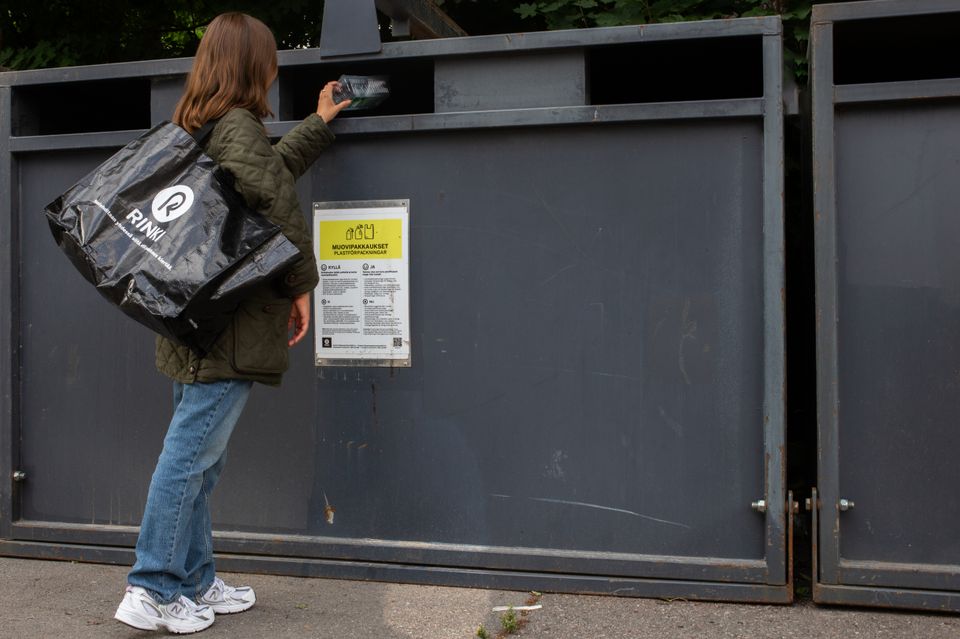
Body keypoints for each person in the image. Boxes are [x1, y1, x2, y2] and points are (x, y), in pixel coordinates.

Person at [113, 12, 350, 634]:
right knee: (191, 456)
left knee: (200, 458)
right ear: (252, 65)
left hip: (197, 320)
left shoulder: (201, 122)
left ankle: (193, 580)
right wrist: (303, 284)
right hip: (228, 325)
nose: (273, 69)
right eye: (269, 59)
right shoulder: (236, 124)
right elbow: (273, 197)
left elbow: (266, 174)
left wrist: (320, 123)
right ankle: (152, 588)